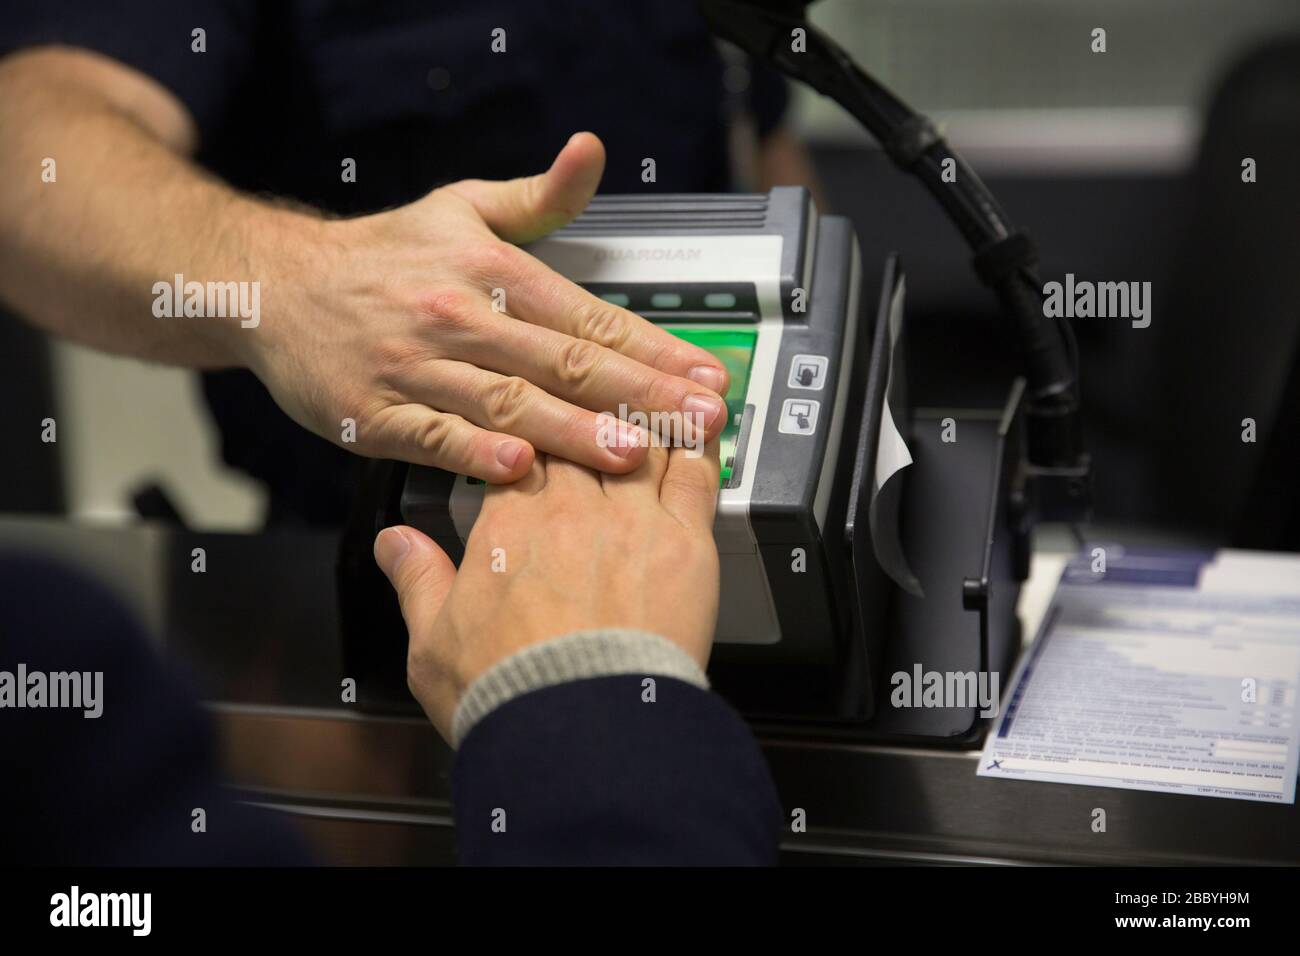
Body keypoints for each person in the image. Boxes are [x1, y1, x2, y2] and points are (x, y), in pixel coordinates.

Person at [0, 0, 818, 524]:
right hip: (378, 576)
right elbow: (31, 150)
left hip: (727, 517)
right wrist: (293, 282)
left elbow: (765, 139)